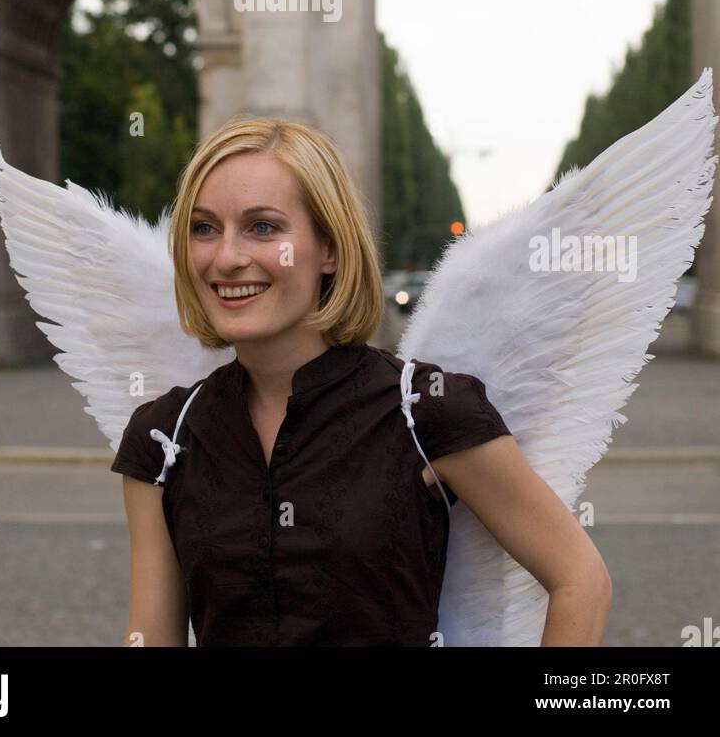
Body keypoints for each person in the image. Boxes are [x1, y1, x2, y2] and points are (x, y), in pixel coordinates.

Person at [111, 115, 612, 647]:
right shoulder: (162, 435)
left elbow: (581, 579)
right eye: (204, 228)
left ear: (330, 248)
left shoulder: (428, 411)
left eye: (263, 227)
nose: (227, 257)